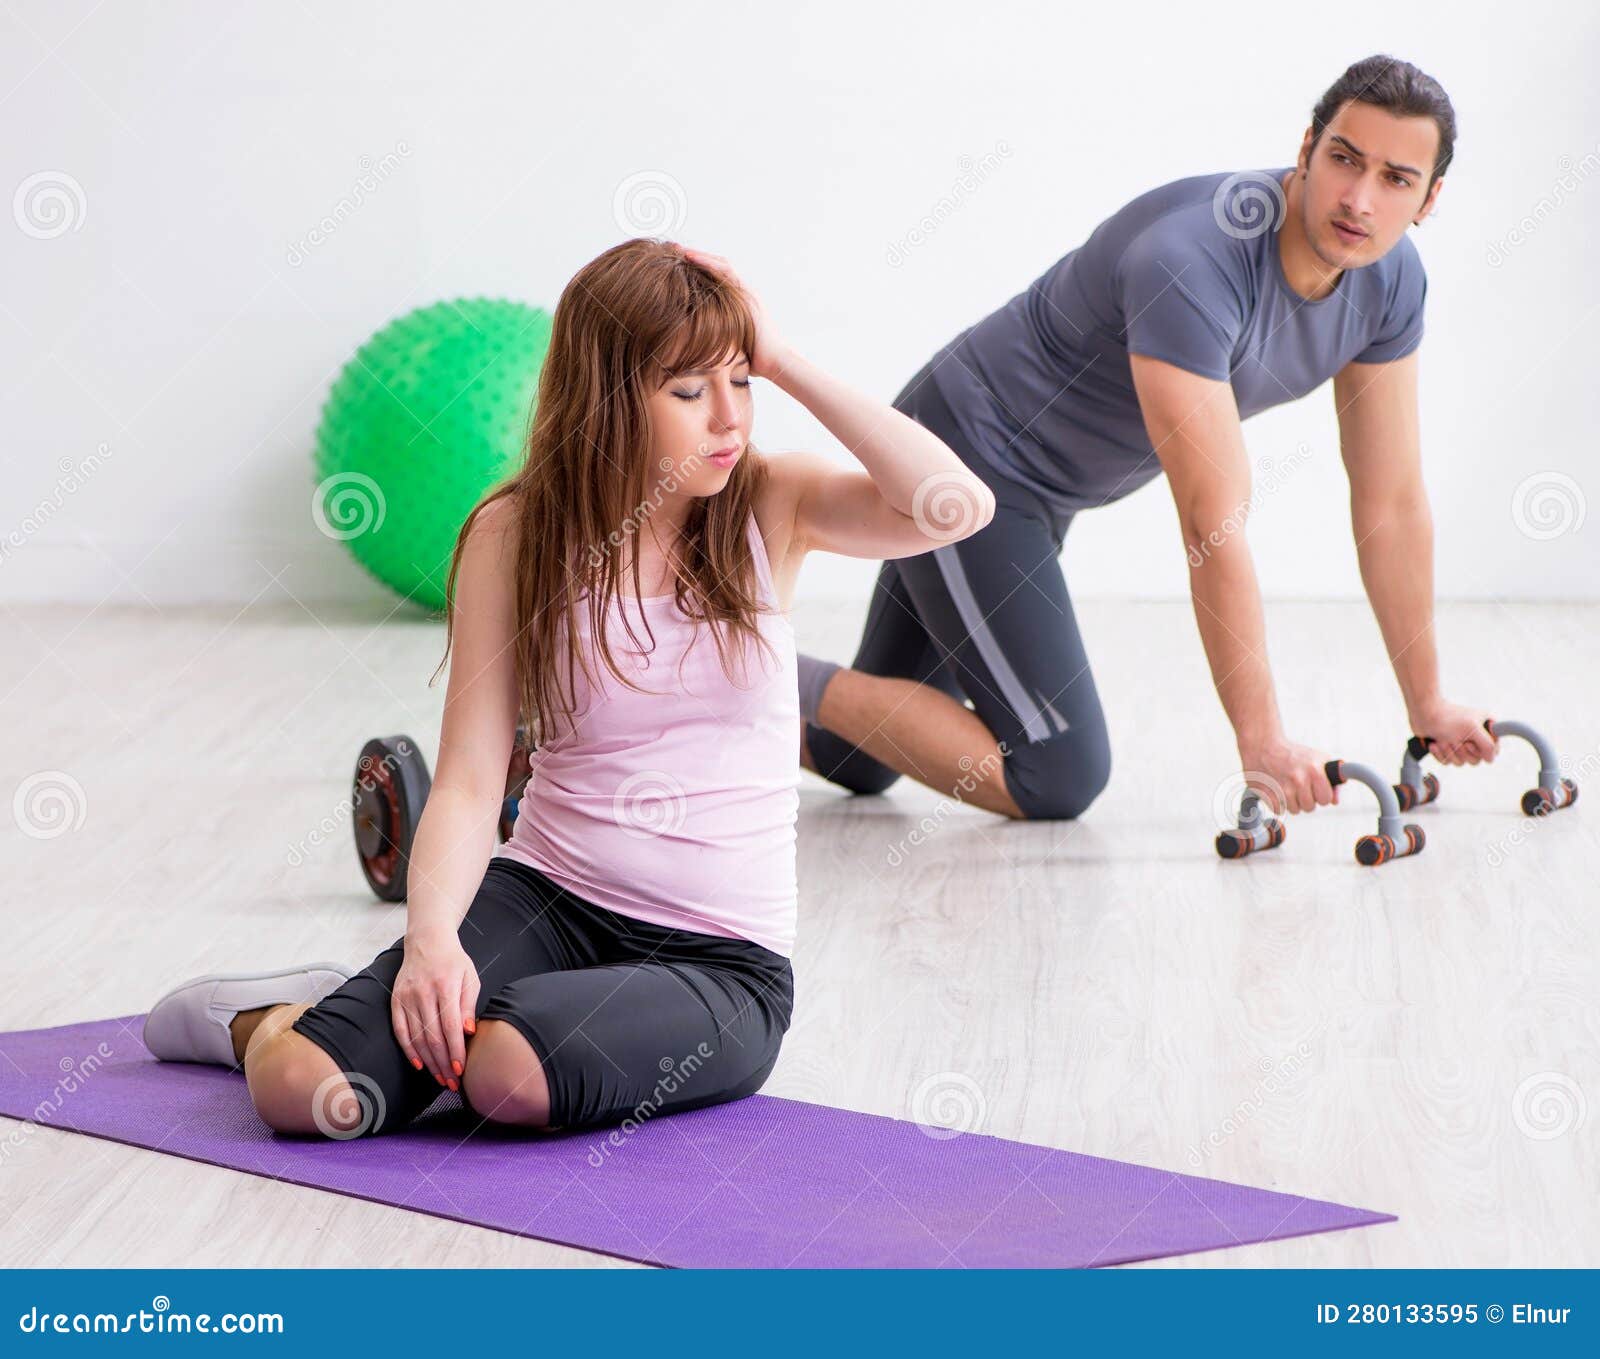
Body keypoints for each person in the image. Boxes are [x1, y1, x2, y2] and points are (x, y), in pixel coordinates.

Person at [142, 239, 994, 1138]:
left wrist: (781, 358)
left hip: (720, 959)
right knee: (306, 1091)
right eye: (689, 390)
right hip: (547, 896)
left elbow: (955, 506)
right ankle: (278, 1018)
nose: (729, 418)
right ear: (610, 394)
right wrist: (431, 944)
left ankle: (440, 1012)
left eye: (741, 382)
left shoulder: (771, 502)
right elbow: (471, 778)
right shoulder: (514, 533)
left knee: (506, 1072)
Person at [801, 54, 1498, 823]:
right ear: (1306, 148)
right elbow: (1211, 523)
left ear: (1429, 199)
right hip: (963, 458)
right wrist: (1262, 741)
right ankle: (741, 673)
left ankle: (736, 688)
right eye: (1344, 159)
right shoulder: (1193, 261)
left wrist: (1428, 701)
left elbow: (1390, 503)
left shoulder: (1390, 282)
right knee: (1055, 770)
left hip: (1042, 487)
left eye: (1396, 179)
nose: (1359, 199)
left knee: (856, 755)